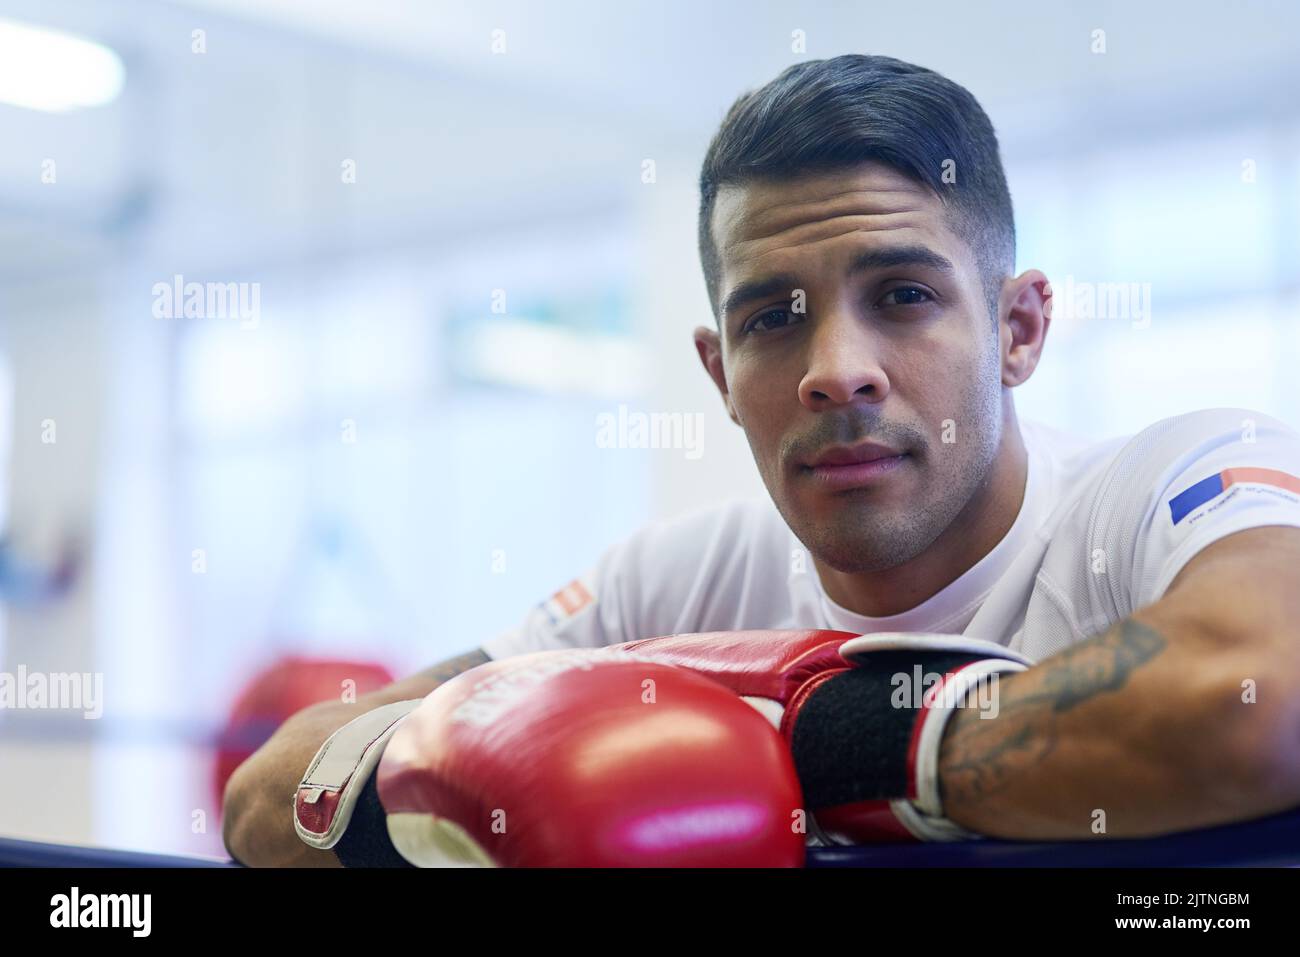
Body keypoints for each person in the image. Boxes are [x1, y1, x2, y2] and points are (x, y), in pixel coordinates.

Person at [222, 53, 1300, 867]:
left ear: (1017, 330)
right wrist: (457, 797)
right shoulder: (668, 587)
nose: (836, 371)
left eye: (904, 297)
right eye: (773, 320)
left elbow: (1267, 704)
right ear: (718, 372)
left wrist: (838, 741)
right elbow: (271, 793)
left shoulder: (1170, 482)